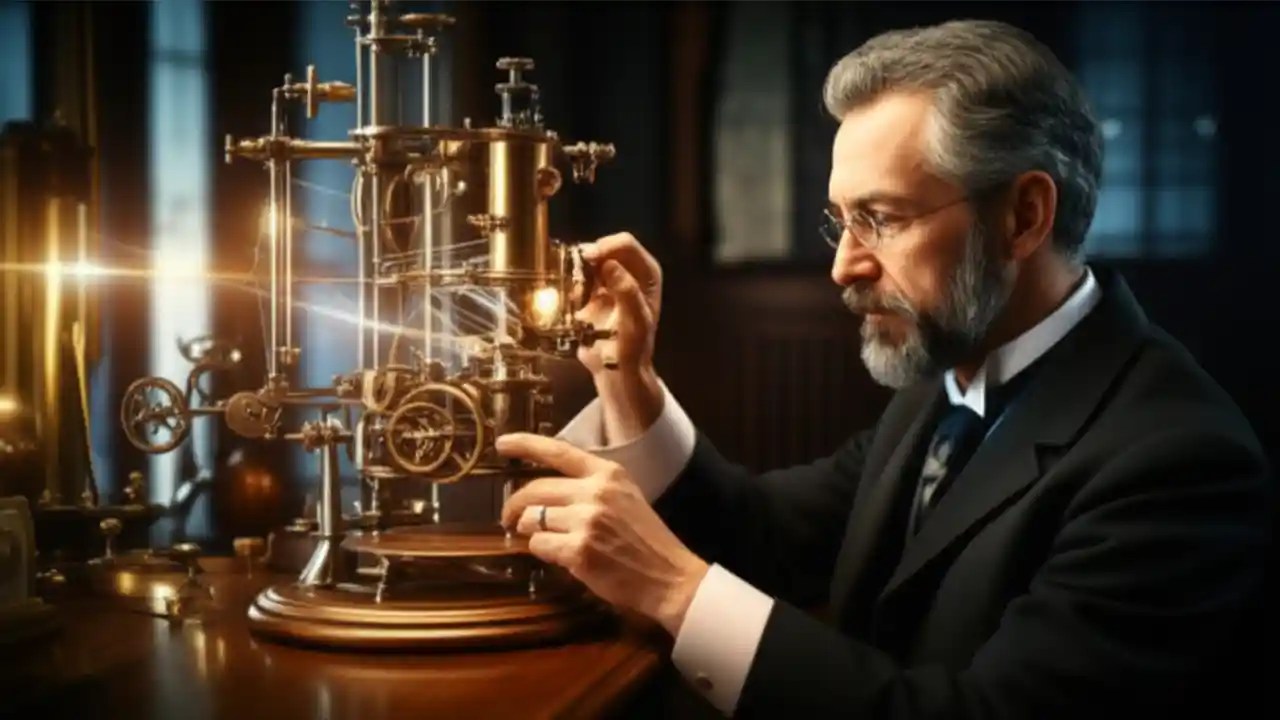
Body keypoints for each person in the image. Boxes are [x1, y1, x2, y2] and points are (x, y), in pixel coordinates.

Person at [496, 18, 1274, 719]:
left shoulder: (1176, 462)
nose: (842, 266)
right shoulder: (948, 376)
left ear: (1025, 216)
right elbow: (763, 536)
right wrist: (626, 378)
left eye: (883, 219)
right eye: (842, 220)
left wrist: (672, 588)